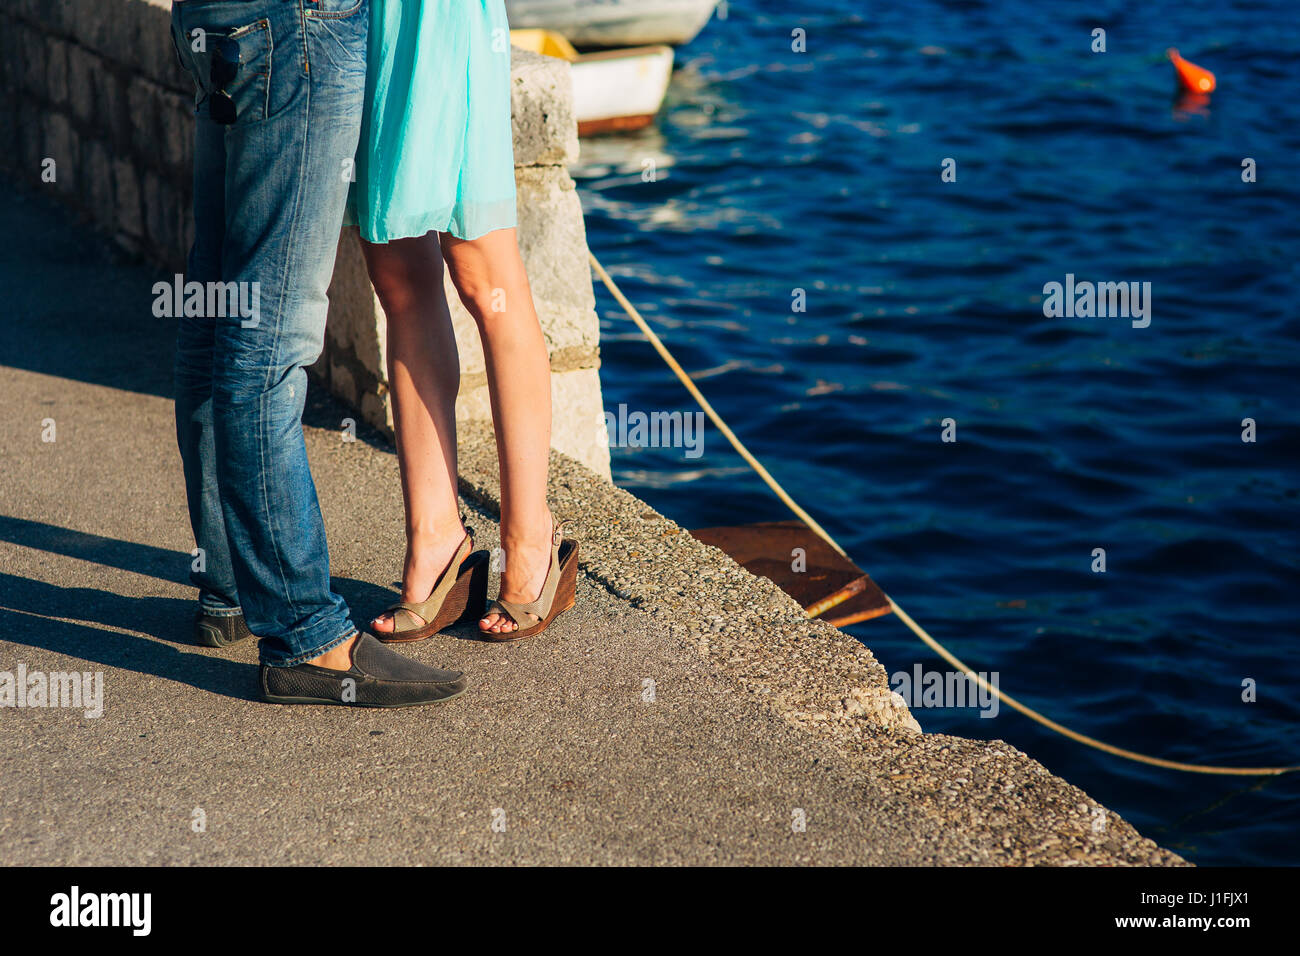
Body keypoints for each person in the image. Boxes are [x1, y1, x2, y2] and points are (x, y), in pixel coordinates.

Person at [169, 0, 467, 706]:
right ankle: (305, 635)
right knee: (268, 343)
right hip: (297, 26)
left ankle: (231, 587)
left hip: (217, 18)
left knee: (217, 312)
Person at [344, 0, 579, 644]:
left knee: (485, 275)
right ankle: (436, 535)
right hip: (360, 21)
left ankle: (532, 540)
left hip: (439, 21)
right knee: (395, 277)